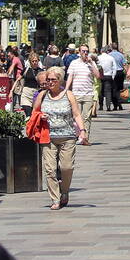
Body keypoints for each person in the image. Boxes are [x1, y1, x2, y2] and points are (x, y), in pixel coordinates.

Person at [32, 67, 87, 209]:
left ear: (60, 81)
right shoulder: (42, 95)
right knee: (50, 169)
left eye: (53, 80)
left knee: (66, 167)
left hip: (67, 137)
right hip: (48, 137)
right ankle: (55, 199)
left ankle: (65, 191)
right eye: (48, 80)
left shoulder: (68, 95)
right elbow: (34, 112)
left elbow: (76, 114)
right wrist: (40, 116)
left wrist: (82, 130)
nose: (49, 82)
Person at [65, 45, 101, 143]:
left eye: (87, 51)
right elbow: (70, 77)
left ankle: (85, 137)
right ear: (79, 52)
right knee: (76, 116)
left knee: (86, 117)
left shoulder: (91, 63)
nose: (85, 53)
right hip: (76, 93)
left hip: (88, 93)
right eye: (83, 51)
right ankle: (77, 135)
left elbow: (97, 76)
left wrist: (91, 64)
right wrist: (66, 89)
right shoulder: (74, 63)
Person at [97, 46, 118, 111]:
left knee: (100, 91)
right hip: (109, 76)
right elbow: (115, 67)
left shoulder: (98, 58)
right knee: (108, 92)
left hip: (100, 75)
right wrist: (113, 76)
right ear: (107, 51)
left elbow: (96, 66)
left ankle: (101, 106)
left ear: (101, 51)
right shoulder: (111, 58)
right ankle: (108, 106)